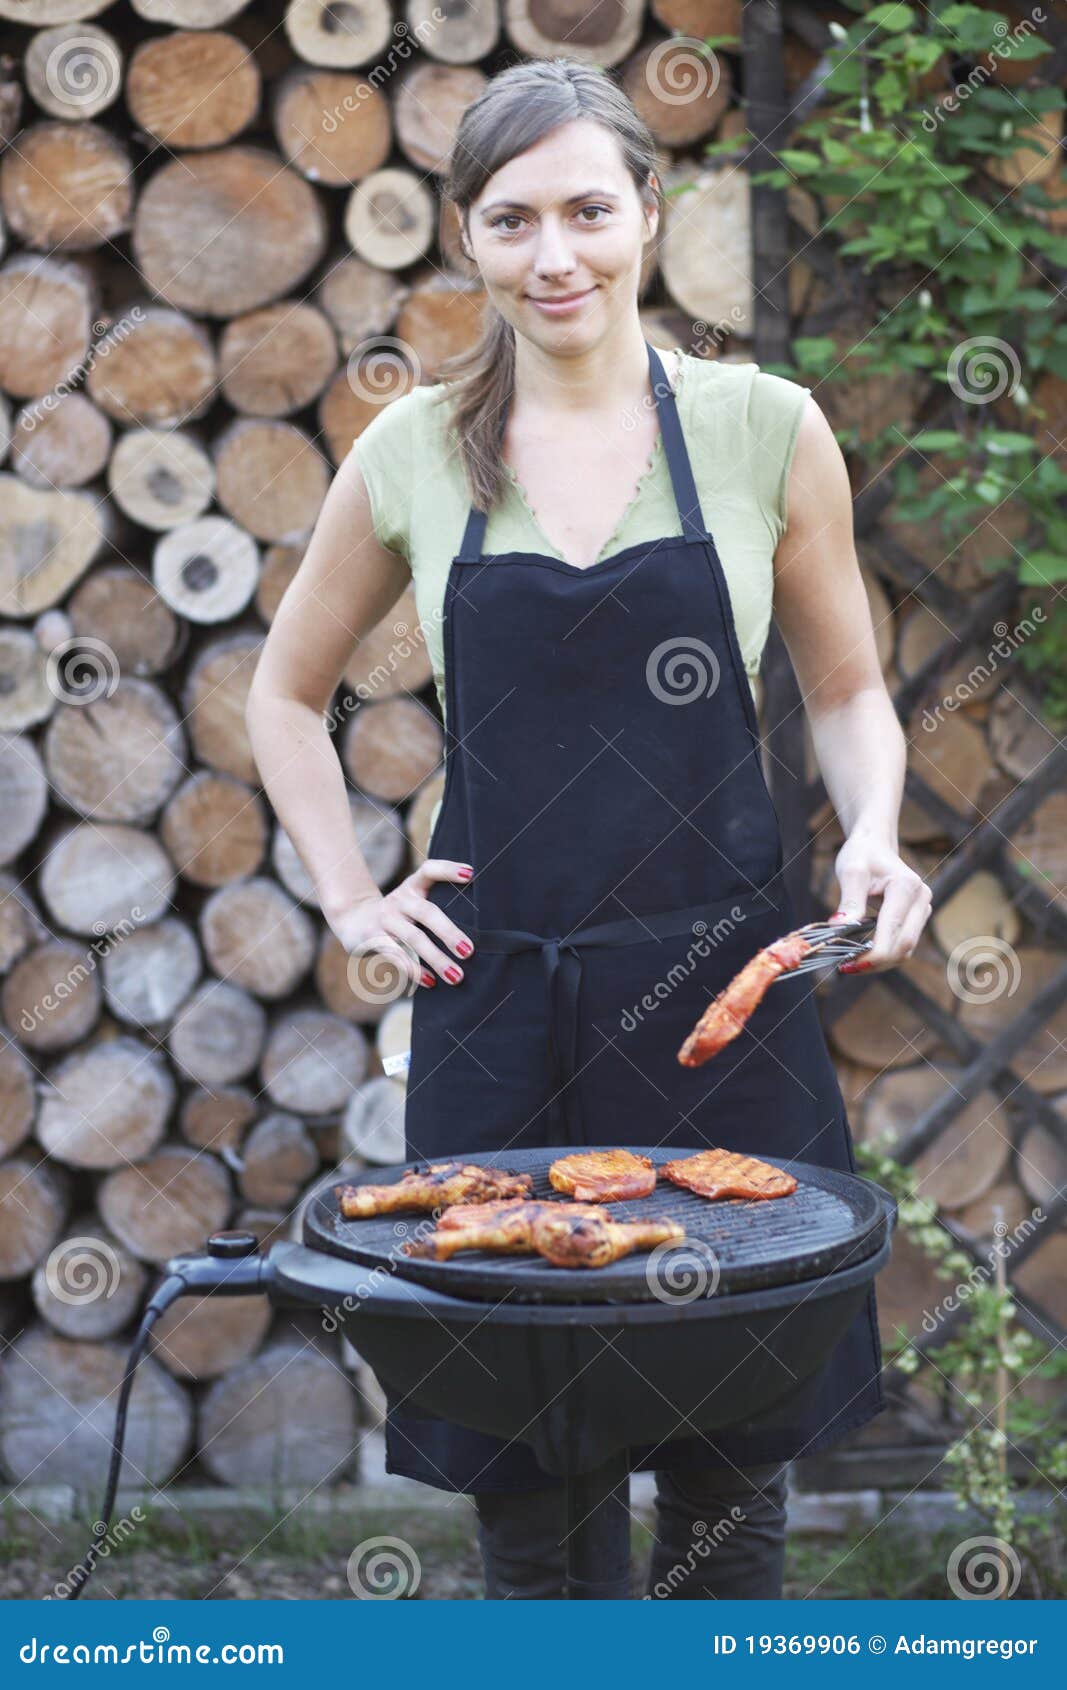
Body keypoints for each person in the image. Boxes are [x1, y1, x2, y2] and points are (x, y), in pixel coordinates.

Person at [247, 57, 932, 1599]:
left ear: (649, 212)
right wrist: (355, 894)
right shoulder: (412, 451)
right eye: (512, 220)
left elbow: (851, 686)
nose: (554, 255)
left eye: (585, 210)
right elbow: (285, 697)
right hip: (498, 1013)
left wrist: (876, 827)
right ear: (467, 237)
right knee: (531, 1488)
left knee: (722, 1486)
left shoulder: (762, 426)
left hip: (722, 1002)